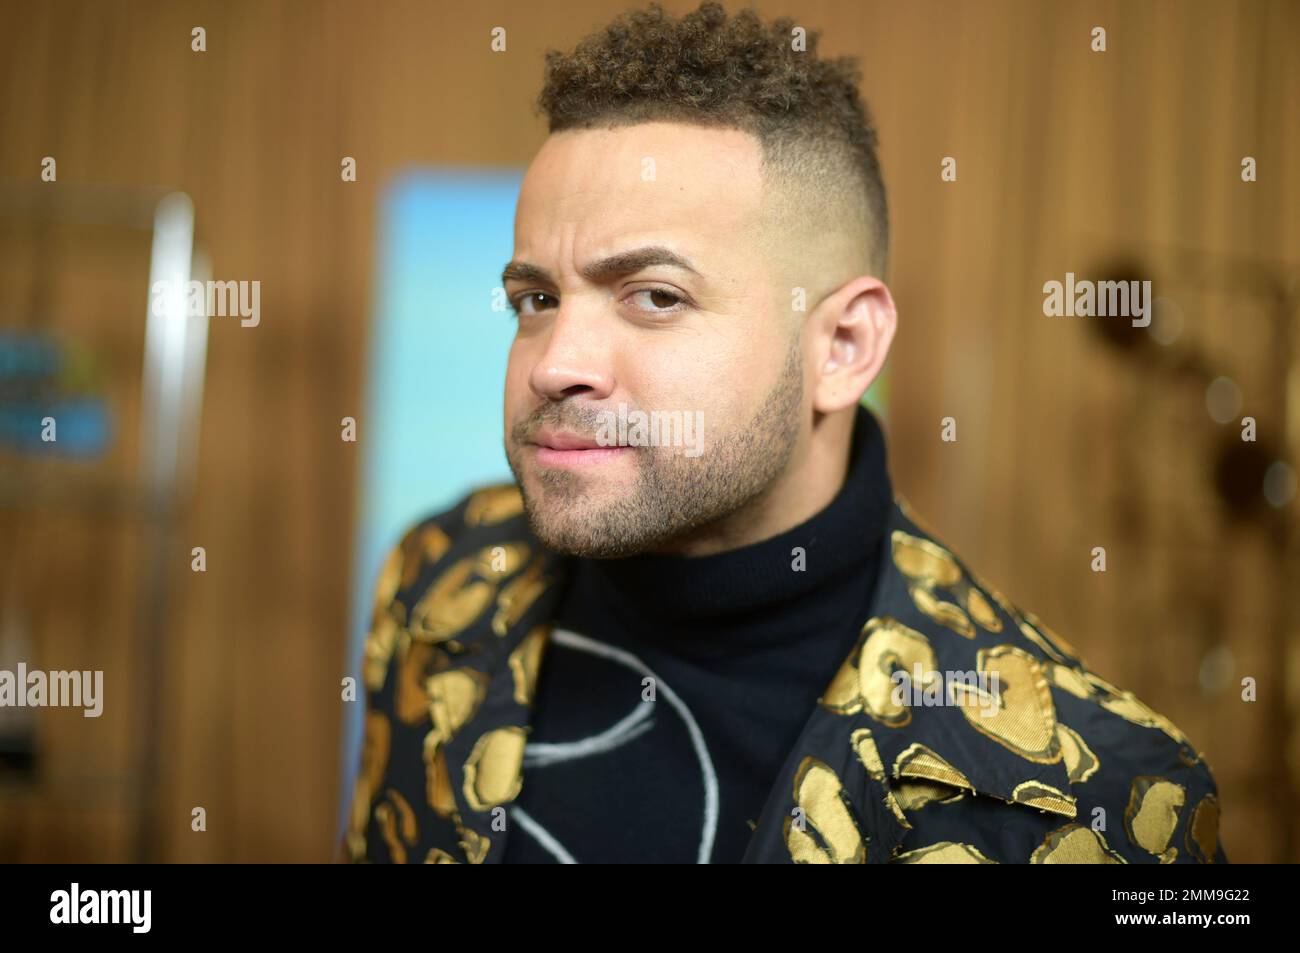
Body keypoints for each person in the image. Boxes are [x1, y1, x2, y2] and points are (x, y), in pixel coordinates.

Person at [343, 1, 1225, 864]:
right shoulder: (441, 577)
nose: (552, 362)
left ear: (842, 347)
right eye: (536, 299)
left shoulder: (1091, 801)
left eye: (656, 296)